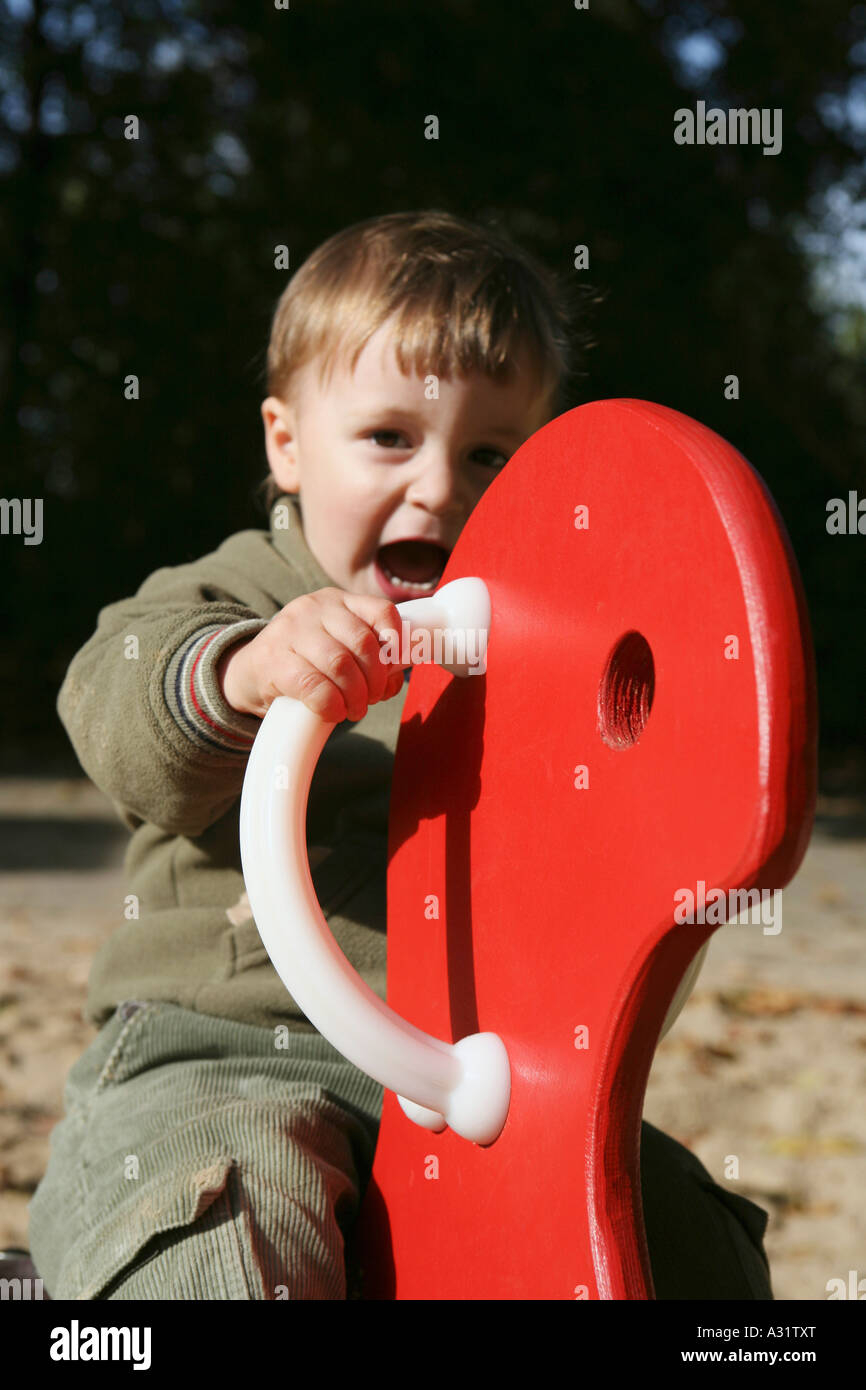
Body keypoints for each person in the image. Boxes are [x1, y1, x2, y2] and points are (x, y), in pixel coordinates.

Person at [27, 209, 772, 1300]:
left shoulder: (548, 645)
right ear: (286, 443)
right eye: (388, 438)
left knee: (684, 1240)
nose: (438, 487)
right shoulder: (243, 593)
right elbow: (117, 700)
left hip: (481, 1083)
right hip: (230, 1048)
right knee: (227, 1211)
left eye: (487, 453)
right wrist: (242, 673)